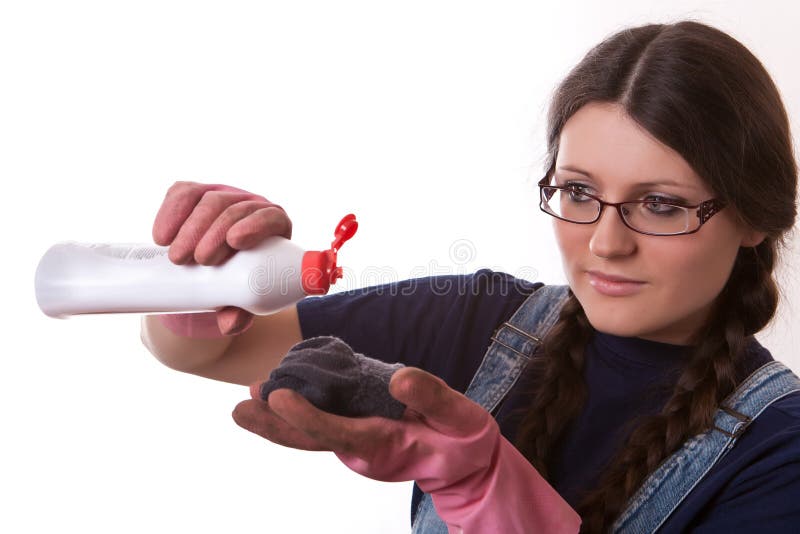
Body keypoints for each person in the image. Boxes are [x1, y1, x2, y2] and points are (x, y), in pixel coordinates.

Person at [140, 20, 800, 533]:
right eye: (576, 191)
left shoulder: (781, 449)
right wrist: (198, 285)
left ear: (754, 218)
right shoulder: (481, 320)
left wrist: (489, 489)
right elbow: (213, 350)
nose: (605, 242)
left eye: (660, 204)